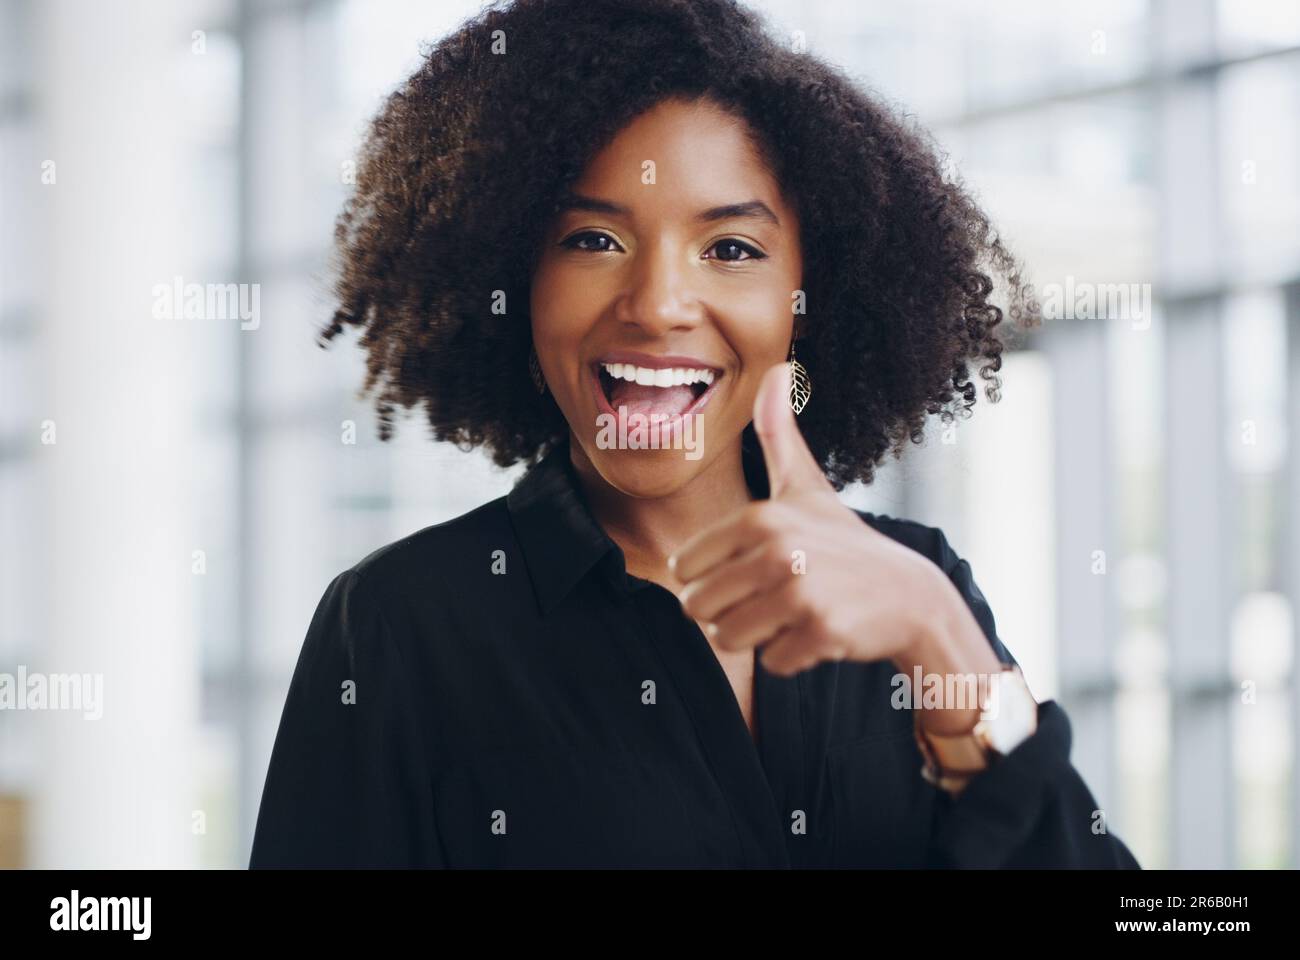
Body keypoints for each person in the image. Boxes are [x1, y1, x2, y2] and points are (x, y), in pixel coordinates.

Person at [249, 0, 1139, 869]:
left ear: (809, 300)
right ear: (515, 280)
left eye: (732, 250)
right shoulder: (401, 628)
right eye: (593, 239)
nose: (659, 305)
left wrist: (941, 637)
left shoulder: (918, 587)